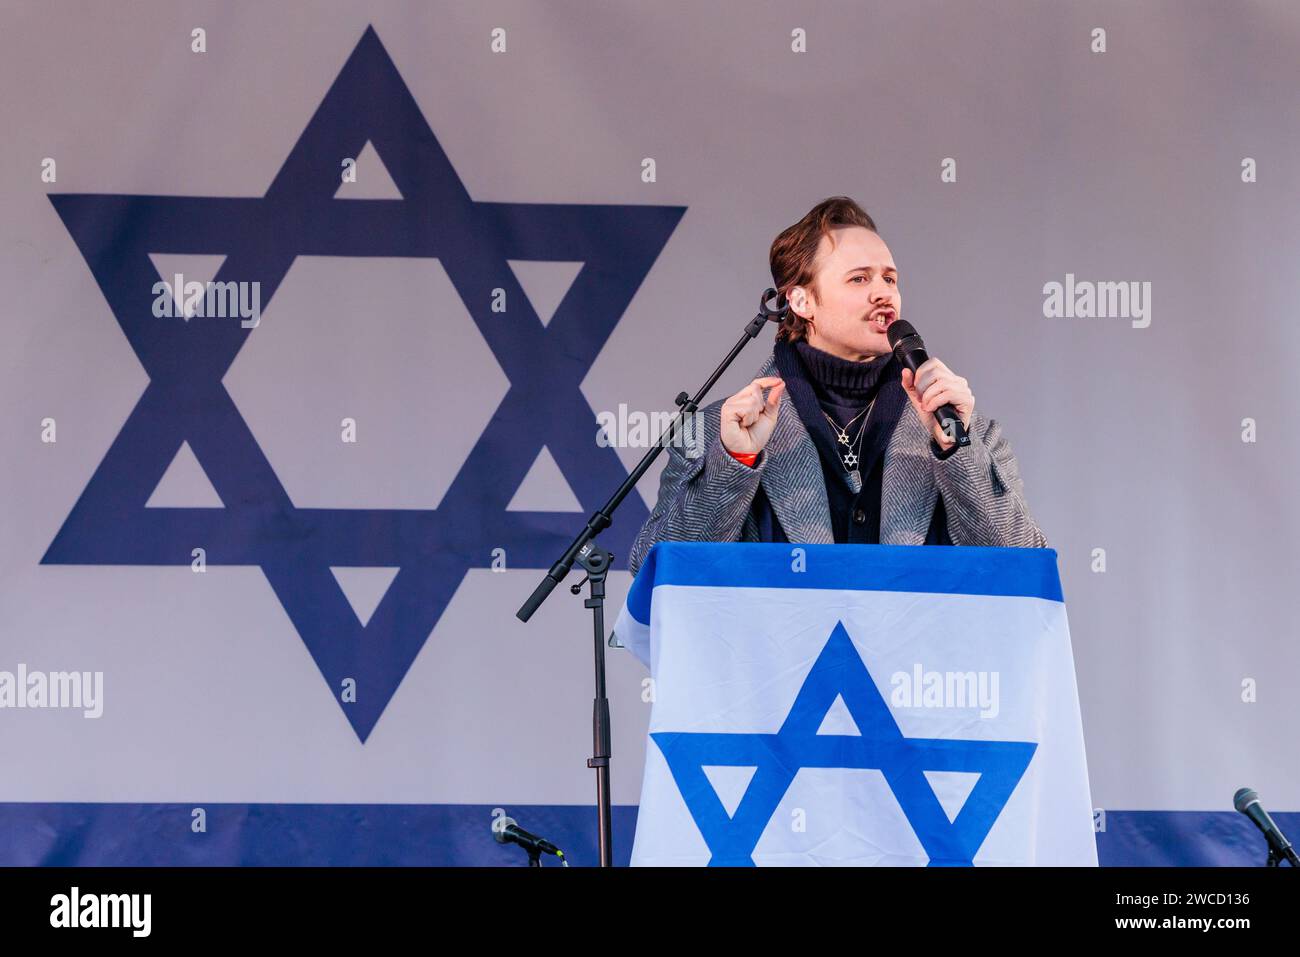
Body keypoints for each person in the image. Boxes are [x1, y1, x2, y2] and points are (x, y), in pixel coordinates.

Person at [628, 196, 1047, 576]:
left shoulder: (966, 431)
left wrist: (957, 448)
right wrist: (735, 460)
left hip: (915, 663)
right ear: (800, 300)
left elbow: (1024, 568)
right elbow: (654, 572)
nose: (884, 294)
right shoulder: (717, 432)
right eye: (859, 279)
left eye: (889, 278)